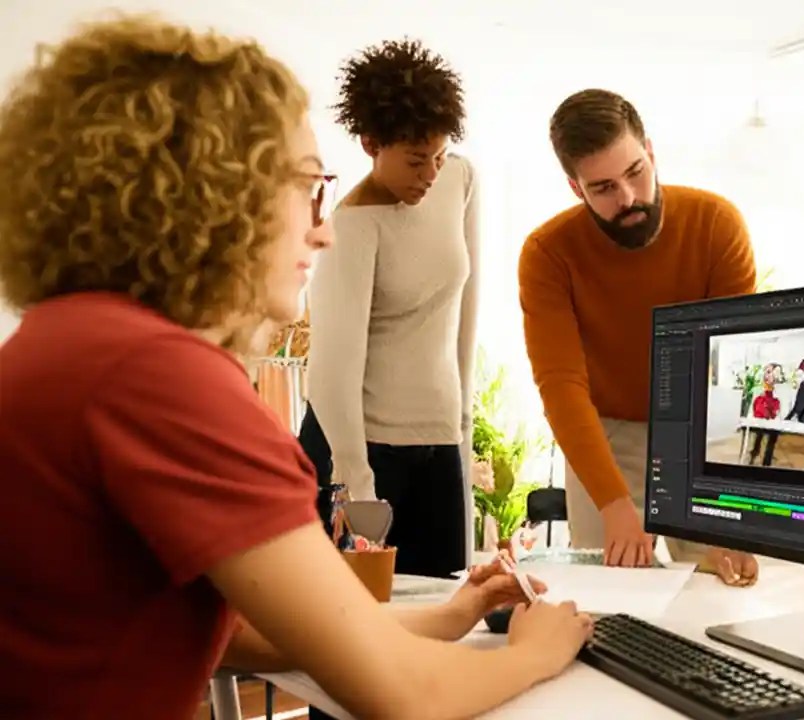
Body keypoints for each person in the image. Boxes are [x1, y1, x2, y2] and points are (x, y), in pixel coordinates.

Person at [0, 16, 589, 719]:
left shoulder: (72, 343)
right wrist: (536, 652)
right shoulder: (158, 377)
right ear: (218, 197)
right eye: (309, 188)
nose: (324, 226)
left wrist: (453, 612)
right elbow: (408, 696)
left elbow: (247, 634)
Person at [519, 88, 760, 585]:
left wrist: (722, 497)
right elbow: (561, 385)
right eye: (603, 187)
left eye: (635, 173)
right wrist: (613, 502)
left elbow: (733, 372)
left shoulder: (717, 226)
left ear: (650, 152)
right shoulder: (548, 254)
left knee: (721, 580)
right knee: (612, 591)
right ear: (575, 187)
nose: (627, 199)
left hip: (699, 432)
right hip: (604, 435)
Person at [301, 38, 480, 579]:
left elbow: (466, 298)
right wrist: (357, 478)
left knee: (447, 603)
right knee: (358, 618)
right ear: (370, 143)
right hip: (363, 446)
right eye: (415, 160)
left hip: (438, 438)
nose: (429, 173)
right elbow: (331, 370)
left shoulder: (459, 179)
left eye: (439, 156)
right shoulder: (353, 226)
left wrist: (462, 417)